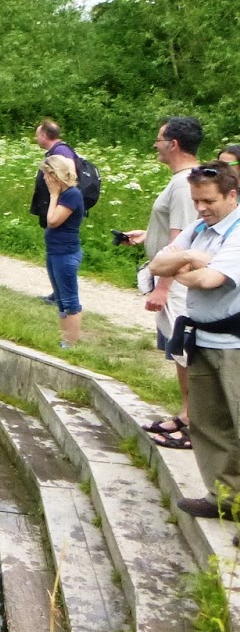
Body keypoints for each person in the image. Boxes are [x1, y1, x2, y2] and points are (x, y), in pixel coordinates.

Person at [147, 161, 240, 520]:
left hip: (234, 346)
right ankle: (225, 499)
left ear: (232, 195)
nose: (200, 208)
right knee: (209, 425)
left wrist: (183, 268)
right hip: (203, 340)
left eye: (208, 201)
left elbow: (210, 280)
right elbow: (156, 265)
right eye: (196, 201)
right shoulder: (201, 227)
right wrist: (188, 257)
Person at [126, 117, 203, 449]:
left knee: (186, 351)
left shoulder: (186, 183)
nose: (155, 145)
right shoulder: (182, 181)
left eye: (158, 139)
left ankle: (192, 421)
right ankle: (186, 413)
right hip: (173, 278)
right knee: (178, 352)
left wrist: (163, 287)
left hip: (178, 284)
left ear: (173, 144)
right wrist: (147, 237)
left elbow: (183, 244)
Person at [29, 120, 78, 303]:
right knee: (54, 249)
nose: (36, 137)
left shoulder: (62, 152)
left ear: (44, 135)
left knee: (60, 251)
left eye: (37, 134)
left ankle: (62, 296)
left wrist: (57, 198)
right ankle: (57, 293)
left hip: (61, 209)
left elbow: (70, 178)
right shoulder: (57, 151)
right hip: (56, 205)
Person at [41, 155, 85, 348]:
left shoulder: (71, 195)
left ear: (54, 175)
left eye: (46, 175)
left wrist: (53, 195)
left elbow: (52, 220)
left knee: (69, 299)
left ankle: (71, 343)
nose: (44, 179)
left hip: (65, 253)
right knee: (59, 298)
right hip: (54, 251)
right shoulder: (64, 196)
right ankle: (64, 338)